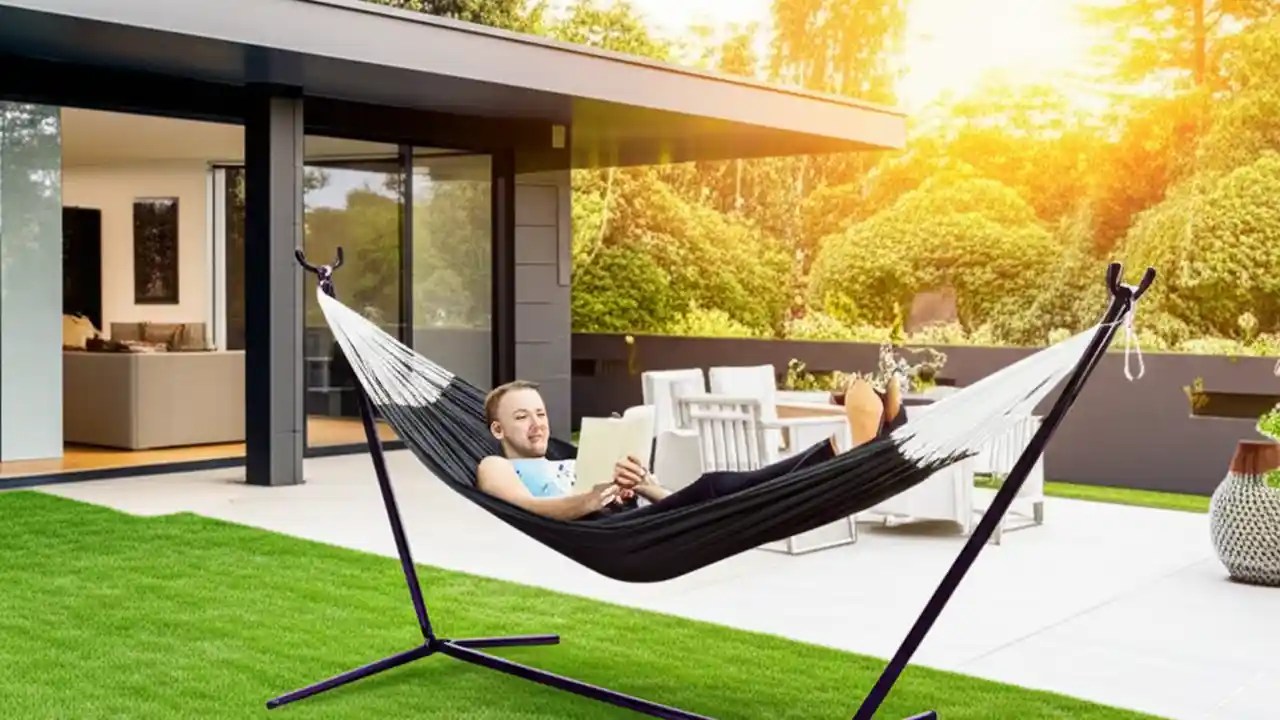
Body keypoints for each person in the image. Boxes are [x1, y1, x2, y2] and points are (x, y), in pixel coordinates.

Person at [475, 377, 903, 522]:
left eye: (541, 413)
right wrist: (587, 500)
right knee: (717, 485)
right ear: (498, 428)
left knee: (725, 491)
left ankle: (864, 447)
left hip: (644, 522)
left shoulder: (569, 459)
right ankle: (854, 451)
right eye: (522, 417)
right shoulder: (494, 465)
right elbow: (528, 509)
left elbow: (659, 505)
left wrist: (644, 486)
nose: (537, 424)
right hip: (612, 536)